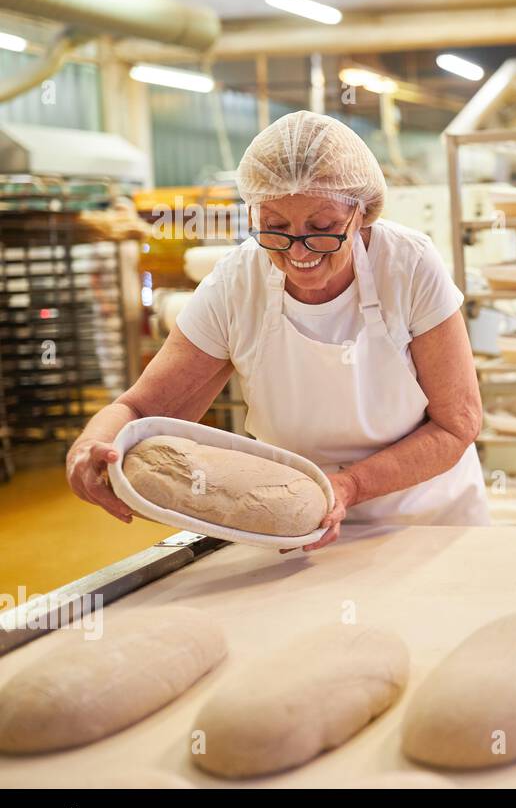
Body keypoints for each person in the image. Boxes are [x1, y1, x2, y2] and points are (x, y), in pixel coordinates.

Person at [67, 111, 489, 548]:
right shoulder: (236, 284)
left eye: (322, 229)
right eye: (275, 228)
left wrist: (349, 486)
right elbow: (142, 410)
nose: (298, 249)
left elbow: (457, 424)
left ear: (362, 214)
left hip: (429, 525)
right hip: (290, 524)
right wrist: (91, 445)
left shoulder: (408, 265)